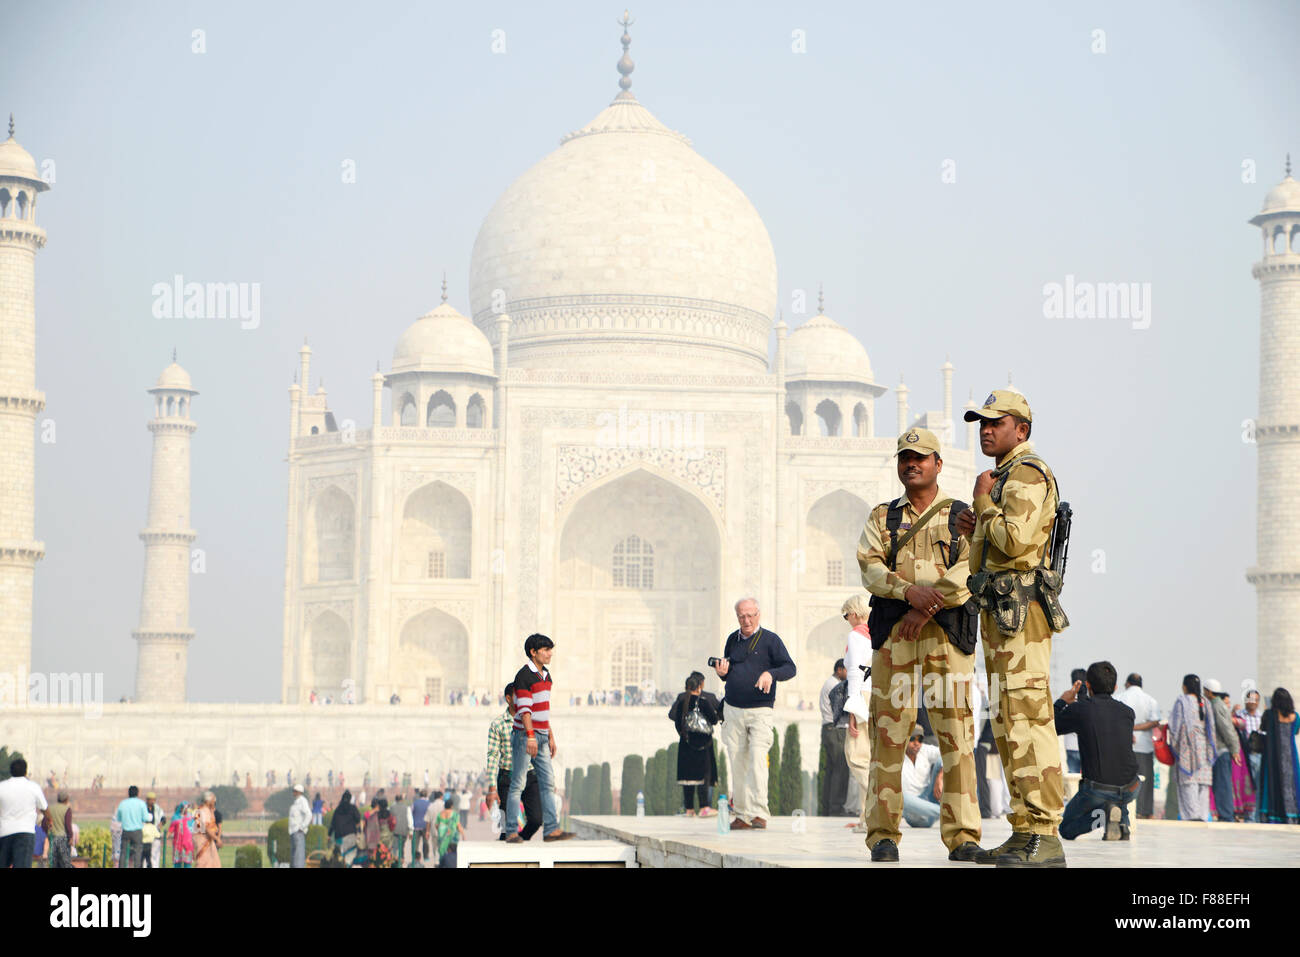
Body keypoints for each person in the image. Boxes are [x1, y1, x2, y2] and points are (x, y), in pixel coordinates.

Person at [858, 428, 983, 863]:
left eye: (920, 457)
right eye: (904, 458)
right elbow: (870, 568)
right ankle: (883, 835)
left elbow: (972, 567)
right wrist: (908, 593)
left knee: (956, 736)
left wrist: (925, 607)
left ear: (938, 464)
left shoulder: (962, 515)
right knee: (888, 735)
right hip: (897, 640)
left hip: (945, 638)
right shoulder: (883, 517)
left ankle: (963, 835)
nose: (911, 464)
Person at [956, 391, 1067, 867]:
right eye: (981, 422)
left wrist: (983, 505)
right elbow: (996, 544)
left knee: (1028, 719)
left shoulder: (1025, 473)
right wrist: (975, 523)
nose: (985, 429)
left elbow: (1017, 540)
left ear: (1020, 429)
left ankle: (1046, 834)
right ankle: (1024, 830)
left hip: (1021, 615)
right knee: (1006, 723)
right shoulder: (1003, 477)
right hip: (1002, 615)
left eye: (995, 423)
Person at [713, 597, 797, 829]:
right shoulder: (733, 639)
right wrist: (722, 673)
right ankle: (741, 814)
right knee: (737, 762)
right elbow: (731, 670)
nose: (746, 620)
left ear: (758, 615)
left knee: (758, 760)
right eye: (742, 616)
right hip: (733, 709)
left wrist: (771, 674)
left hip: (760, 710)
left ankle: (760, 813)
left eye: (750, 615)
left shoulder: (771, 640)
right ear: (737, 616)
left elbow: (790, 668)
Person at [1053, 661, 1140, 840]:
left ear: (1088, 685)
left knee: (1066, 829)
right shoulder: (1128, 712)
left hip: (1098, 789)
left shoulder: (1080, 710)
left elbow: (1050, 726)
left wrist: (1062, 701)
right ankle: (1121, 823)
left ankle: (1106, 816)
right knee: (1117, 798)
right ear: (1115, 686)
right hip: (1132, 786)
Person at [504, 633, 573, 843]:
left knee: (548, 782)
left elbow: (542, 710)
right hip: (526, 736)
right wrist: (531, 736)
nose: (549, 653)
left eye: (550, 649)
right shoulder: (523, 676)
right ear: (533, 652)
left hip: (541, 735)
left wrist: (550, 736)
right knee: (518, 783)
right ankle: (511, 832)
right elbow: (525, 710)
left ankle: (551, 830)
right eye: (545, 650)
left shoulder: (546, 676)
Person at [487, 683, 543, 842]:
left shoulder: (531, 721)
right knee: (507, 826)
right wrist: (492, 787)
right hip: (508, 777)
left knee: (536, 820)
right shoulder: (498, 724)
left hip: (529, 775)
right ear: (509, 699)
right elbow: (492, 756)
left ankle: (520, 842)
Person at [840, 594, 873, 833]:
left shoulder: (855, 635)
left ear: (854, 613)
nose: (846, 620)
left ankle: (878, 801)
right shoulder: (876, 632)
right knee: (869, 757)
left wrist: (852, 711)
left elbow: (854, 673)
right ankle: (867, 818)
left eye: (846, 615)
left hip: (862, 695)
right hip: (878, 696)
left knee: (855, 756)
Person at [668, 672, 721, 816]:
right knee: (703, 775)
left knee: (688, 778)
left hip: (686, 744)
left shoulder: (681, 702)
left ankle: (689, 809)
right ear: (699, 687)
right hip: (702, 744)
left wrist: (685, 735)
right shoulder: (703, 701)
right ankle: (704, 807)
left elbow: (677, 722)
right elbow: (715, 719)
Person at [1168, 675, 1216, 822]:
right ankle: (1202, 817)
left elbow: (1174, 727)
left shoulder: (1181, 701)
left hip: (1187, 751)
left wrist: (1174, 745)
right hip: (1205, 751)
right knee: (1203, 787)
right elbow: (1212, 728)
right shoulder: (1205, 702)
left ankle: (1192, 818)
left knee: (1189, 786)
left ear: (1184, 686)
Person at [1116, 673, 1161, 819]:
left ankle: (1125, 810)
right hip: (1144, 746)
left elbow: (1115, 720)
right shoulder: (1150, 700)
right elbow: (1155, 722)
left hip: (1124, 745)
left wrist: (1130, 728)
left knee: (1124, 780)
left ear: (1128, 683)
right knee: (1145, 781)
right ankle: (1145, 811)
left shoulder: (1120, 697)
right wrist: (1136, 728)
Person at [1257, 687, 1300, 824]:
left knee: (1271, 782)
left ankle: (1271, 814)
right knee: (1292, 784)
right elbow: (1296, 731)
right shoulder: (1295, 716)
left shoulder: (1269, 715)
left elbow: (1263, 728)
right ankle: (1292, 815)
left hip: (1272, 756)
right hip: (1290, 756)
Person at [1203, 679, 1242, 822]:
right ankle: (1224, 814)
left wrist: (1234, 749)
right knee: (1221, 784)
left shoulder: (1216, 705)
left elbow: (1226, 728)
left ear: (1209, 691)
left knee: (1223, 784)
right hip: (1220, 751)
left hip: (1221, 750)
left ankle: (1226, 815)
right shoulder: (1215, 704)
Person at [0, 758, 50, 868]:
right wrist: (50, 820)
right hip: (25, 832)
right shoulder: (33, 787)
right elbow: (44, 808)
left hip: (4, 832)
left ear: (11, 771)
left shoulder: (2, 786)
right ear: (25, 771)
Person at [819, 659, 850, 817]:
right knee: (840, 769)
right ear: (839, 670)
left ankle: (828, 808)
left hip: (829, 729)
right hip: (836, 729)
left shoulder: (830, 683)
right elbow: (843, 709)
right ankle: (837, 808)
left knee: (832, 771)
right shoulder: (835, 686)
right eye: (846, 669)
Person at [897, 725, 945, 829]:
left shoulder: (925, 750)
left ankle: (946, 811)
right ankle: (948, 813)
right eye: (912, 739)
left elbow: (947, 754)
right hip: (912, 811)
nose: (916, 743)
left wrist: (939, 777)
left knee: (942, 762)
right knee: (899, 797)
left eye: (920, 739)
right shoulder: (896, 755)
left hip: (928, 799)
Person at [1233, 690, 1263, 821]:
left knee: (1258, 787)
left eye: (1256, 700)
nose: (1253, 703)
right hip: (1245, 757)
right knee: (1247, 788)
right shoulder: (1239, 716)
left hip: (1260, 756)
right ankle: (1248, 816)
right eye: (1251, 699)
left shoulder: (1262, 717)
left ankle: (1255, 817)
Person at [114, 785, 148, 868]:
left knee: (123, 852)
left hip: (126, 831)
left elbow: (118, 818)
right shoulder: (141, 803)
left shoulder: (123, 803)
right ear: (137, 793)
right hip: (137, 831)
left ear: (128, 793)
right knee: (138, 852)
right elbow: (145, 818)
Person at [1061, 668, 1087, 773]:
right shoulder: (1088, 699)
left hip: (1070, 745)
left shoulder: (1066, 696)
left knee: (1072, 777)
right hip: (1086, 745)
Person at [328, 790, 361, 865]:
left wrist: (329, 835)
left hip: (339, 838)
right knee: (349, 858)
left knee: (340, 858)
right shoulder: (353, 808)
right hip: (351, 837)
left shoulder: (338, 809)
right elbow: (358, 818)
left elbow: (333, 824)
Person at [194, 791, 222, 868]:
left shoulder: (201, 810)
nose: (214, 802)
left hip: (206, 840)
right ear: (207, 801)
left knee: (213, 863)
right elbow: (206, 828)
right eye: (213, 800)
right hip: (203, 841)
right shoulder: (203, 811)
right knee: (204, 863)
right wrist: (217, 839)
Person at [435, 795, 465, 868]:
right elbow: (458, 825)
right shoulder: (455, 814)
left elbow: (436, 825)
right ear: (451, 806)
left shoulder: (439, 814)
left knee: (442, 853)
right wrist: (463, 834)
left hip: (442, 838)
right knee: (453, 854)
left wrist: (442, 830)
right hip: (452, 838)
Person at [47, 790, 73, 868]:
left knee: (54, 863)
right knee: (65, 863)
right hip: (63, 839)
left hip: (52, 838)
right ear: (66, 799)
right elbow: (68, 825)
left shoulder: (50, 808)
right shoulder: (67, 809)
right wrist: (71, 836)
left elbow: (45, 823)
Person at [288, 784, 311, 867]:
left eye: (294, 791)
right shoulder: (296, 802)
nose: (293, 792)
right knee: (294, 858)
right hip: (294, 832)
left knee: (299, 857)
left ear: (298, 792)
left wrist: (302, 827)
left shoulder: (302, 801)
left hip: (298, 832)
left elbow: (308, 814)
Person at [141, 791, 165, 868]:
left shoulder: (157, 808)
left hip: (155, 833)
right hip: (145, 834)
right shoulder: (142, 808)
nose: (152, 801)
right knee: (144, 856)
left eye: (153, 800)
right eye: (150, 800)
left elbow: (163, 818)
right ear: (147, 800)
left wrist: (161, 824)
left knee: (155, 856)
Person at [168, 803, 194, 868]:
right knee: (177, 863)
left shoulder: (190, 817)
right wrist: (166, 837)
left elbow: (195, 828)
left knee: (187, 863)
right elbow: (171, 829)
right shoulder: (175, 817)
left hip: (188, 844)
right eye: (184, 807)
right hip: (178, 844)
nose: (185, 809)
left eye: (187, 808)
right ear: (181, 808)